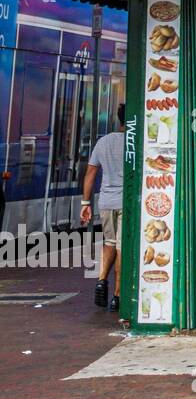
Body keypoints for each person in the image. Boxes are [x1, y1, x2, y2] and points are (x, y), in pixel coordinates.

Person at [81, 104, 126, 312]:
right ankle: (117, 294)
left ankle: (101, 280)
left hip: (106, 201)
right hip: (126, 202)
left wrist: (85, 203)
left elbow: (90, 173)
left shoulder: (104, 141)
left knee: (109, 242)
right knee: (122, 248)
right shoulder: (136, 142)